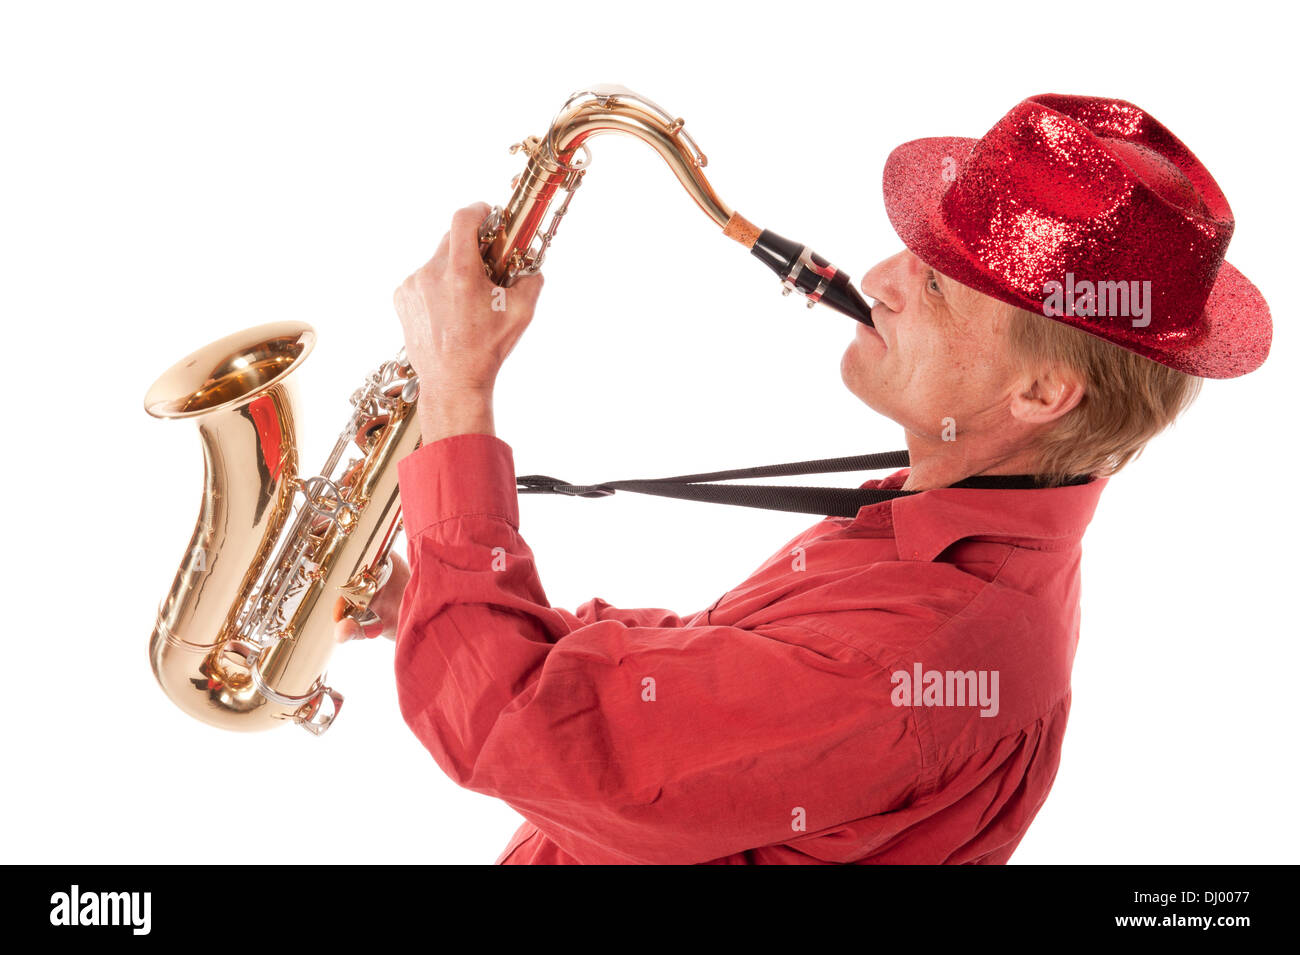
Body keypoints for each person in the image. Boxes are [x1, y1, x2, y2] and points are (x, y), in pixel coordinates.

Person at [336, 94, 1271, 864]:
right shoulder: (953, 515)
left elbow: (520, 731)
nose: (874, 278)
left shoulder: (927, 656)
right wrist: (443, 597)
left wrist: (457, 392)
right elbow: (722, 679)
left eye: (939, 284)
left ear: (1040, 389)